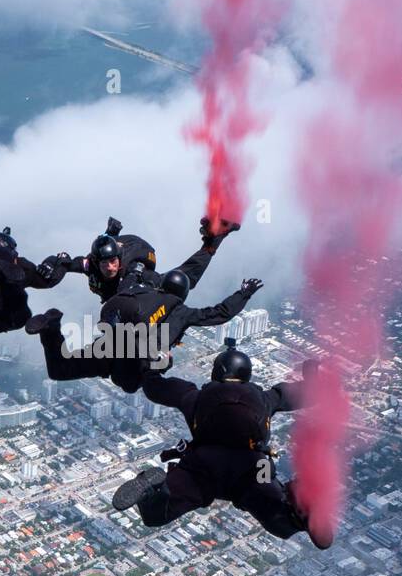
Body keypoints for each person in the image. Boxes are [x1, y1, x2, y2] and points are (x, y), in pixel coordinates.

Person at [112, 344, 334, 549]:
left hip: (202, 466)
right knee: (281, 524)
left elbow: (157, 389)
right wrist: (311, 377)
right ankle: (302, 510)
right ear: (247, 374)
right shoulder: (265, 399)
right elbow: (301, 395)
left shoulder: (195, 397)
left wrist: (152, 370)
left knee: (155, 515)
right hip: (255, 469)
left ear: (216, 372)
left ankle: (156, 489)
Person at [26, 273, 263, 393]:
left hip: (110, 344)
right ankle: (151, 365)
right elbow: (220, 313)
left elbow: (125, 282)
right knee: (131, 383)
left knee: (58, 369)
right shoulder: (182, 310)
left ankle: (51, 328)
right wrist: (244, 293)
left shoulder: (144, 294)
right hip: (134, 358)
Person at [59, 215, 241, 302]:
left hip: (139, 254)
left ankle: (215, 239)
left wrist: (210, 247)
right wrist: (50, 267)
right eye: (104, 263)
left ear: (119, 260)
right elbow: (67, 263)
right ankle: (111, 234)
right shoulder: (91, 264)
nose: (109, 268)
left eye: (113, 262)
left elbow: (178, 280)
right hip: (120, 247)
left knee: (181, 281)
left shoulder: (136, 273)